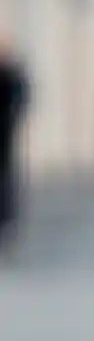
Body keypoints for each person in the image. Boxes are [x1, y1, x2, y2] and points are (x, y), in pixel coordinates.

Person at [0, 40, 28, 250]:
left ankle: (7, 224)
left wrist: (12, 119)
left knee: (6, 181)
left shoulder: (13, 76)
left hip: (6, 136)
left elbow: (21, 102)